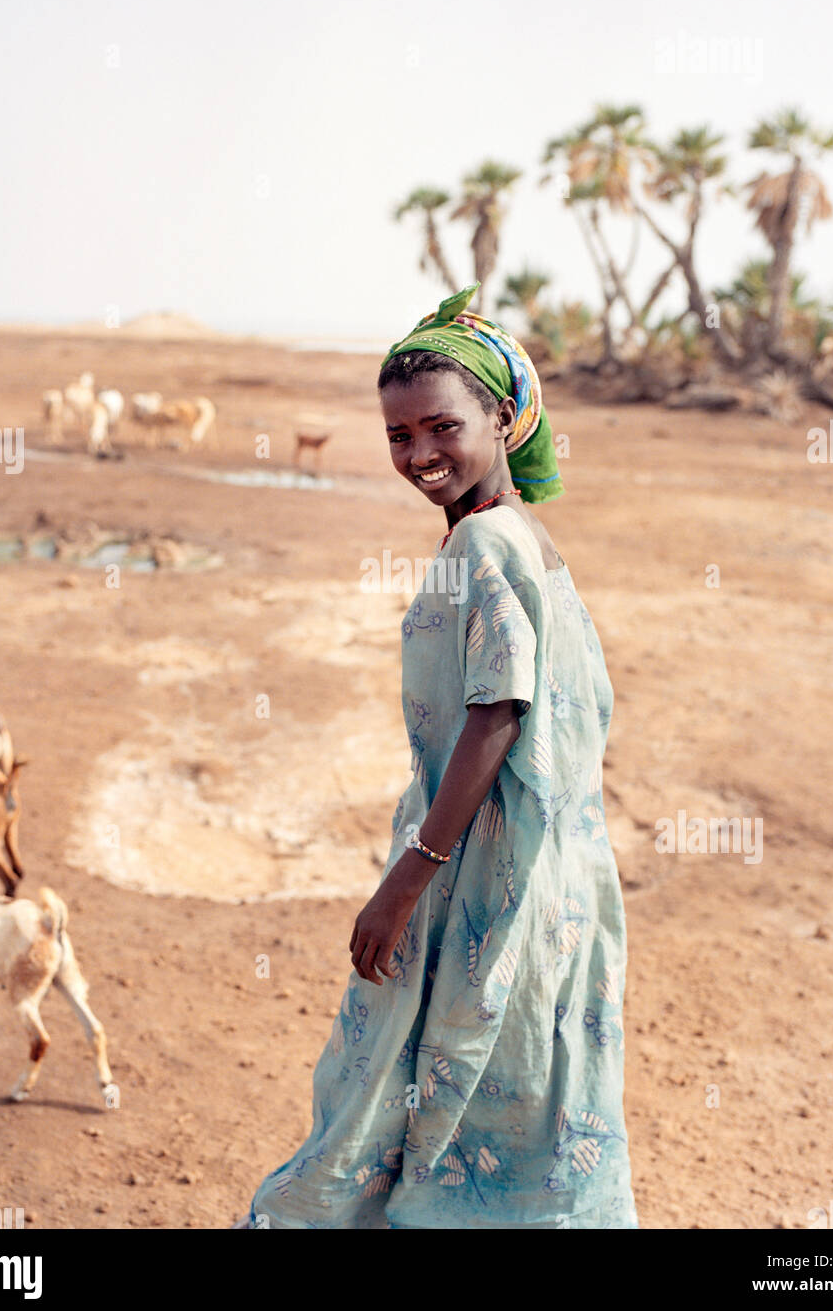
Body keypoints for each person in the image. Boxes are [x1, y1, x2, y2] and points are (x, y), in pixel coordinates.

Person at [237, 283, 638, 1229]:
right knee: (515, 1112)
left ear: (504, 418)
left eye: (441, 428)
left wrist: (405, 880)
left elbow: (498, 713)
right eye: (397, 437)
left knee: (393, 1096)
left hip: (482, 884)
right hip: (548, 885)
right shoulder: (519, 537)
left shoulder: (485, 546)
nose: (419, 455)